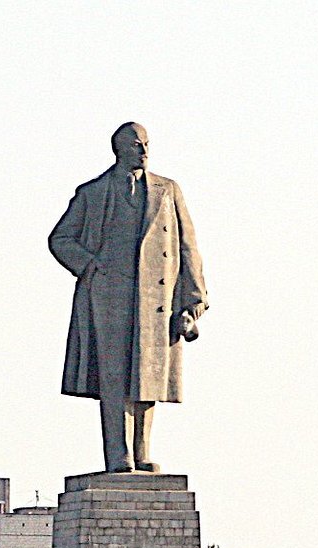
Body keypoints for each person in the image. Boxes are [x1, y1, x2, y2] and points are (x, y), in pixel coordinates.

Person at [49, 122, 208, 474]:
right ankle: (118, 455)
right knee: (114, 377)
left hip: (155, 299)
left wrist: (193, 304)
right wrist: (90, 268)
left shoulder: (168, 191)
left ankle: (142, 452)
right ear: (119, 149)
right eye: (137, 145)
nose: (144, 151)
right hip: (108, 299)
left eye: (147, 144)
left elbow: (188, 247)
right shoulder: (93, 193)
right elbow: (60, 238)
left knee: (147, 376)